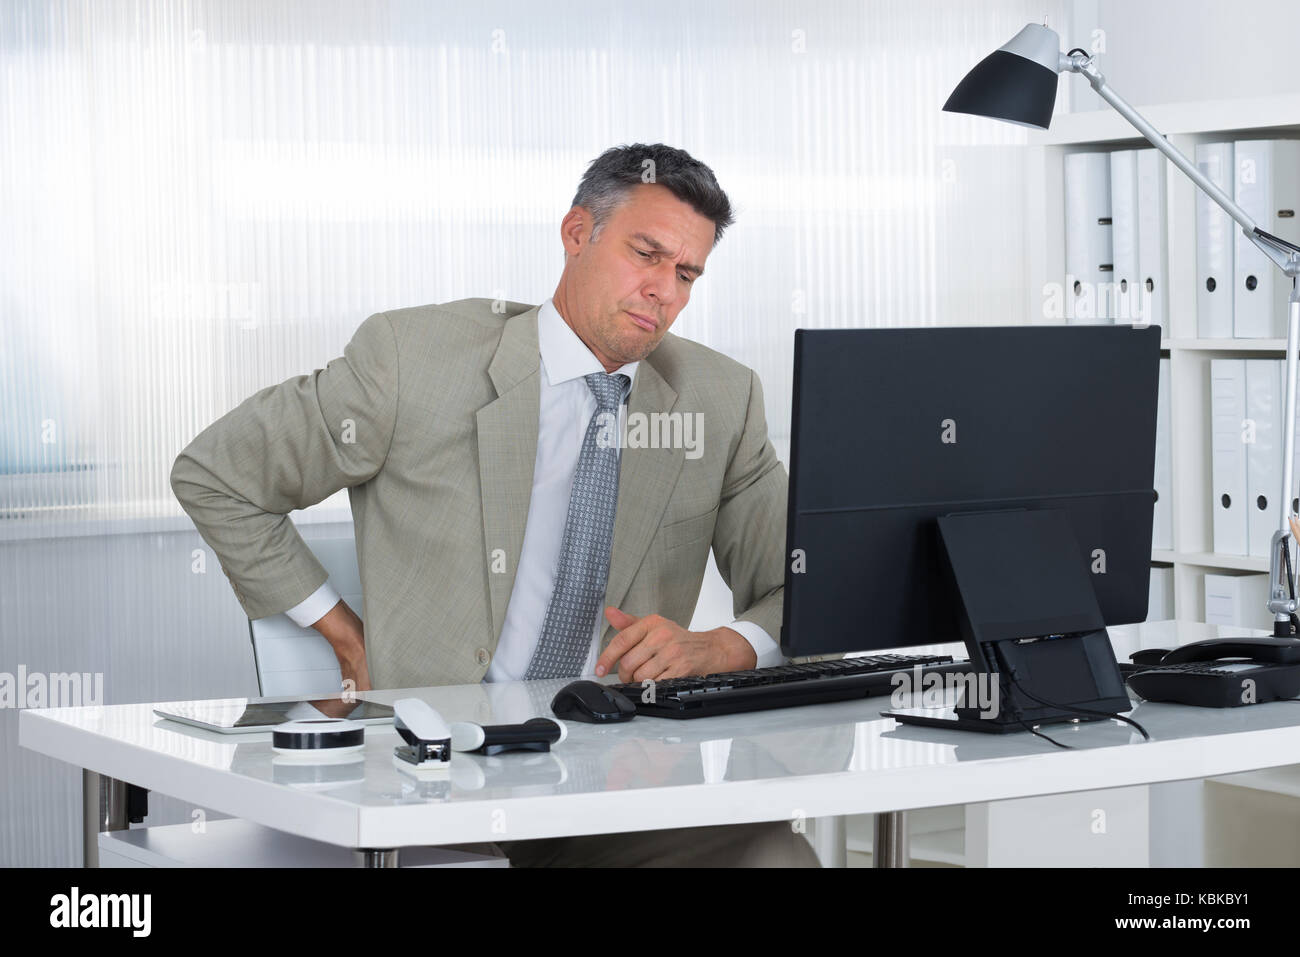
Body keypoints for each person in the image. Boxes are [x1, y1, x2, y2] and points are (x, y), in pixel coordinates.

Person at [171, 142, 819, 867]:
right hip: (431, 780)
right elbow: (216, 473)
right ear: (578, 233)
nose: (664, 289)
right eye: (647, 254)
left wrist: (723, 646)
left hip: (617, 783)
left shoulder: (718, 397)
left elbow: (803, 581)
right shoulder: (412, 360)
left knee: (774, 855)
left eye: (687, 273)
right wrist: (348, 634)